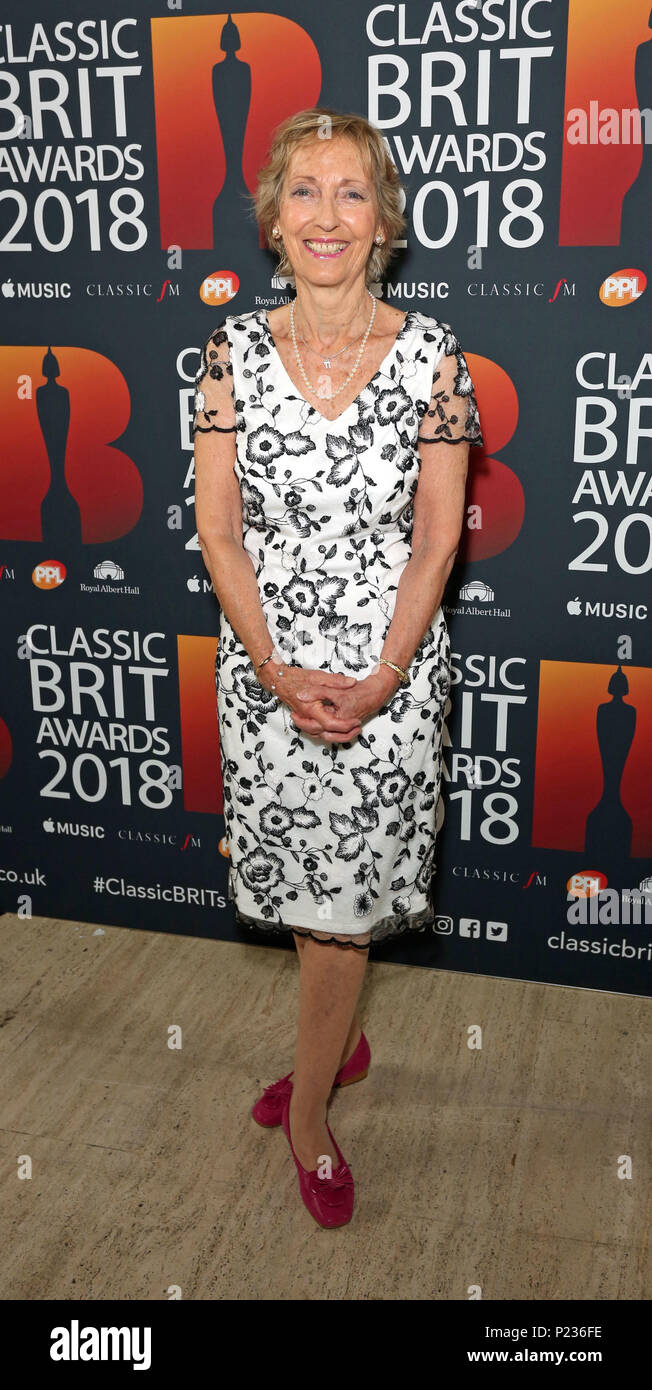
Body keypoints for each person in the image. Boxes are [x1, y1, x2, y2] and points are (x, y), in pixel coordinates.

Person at [192, 107, 484, 1228]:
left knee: (337, 920)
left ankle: (310, 1114)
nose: (326, 214)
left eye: (350, 192)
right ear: (273, 217)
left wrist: (378, 678)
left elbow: (437, 535)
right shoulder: (228, 354)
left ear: (381, 221)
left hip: (388, 681)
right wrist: (271, 665)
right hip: (268, 676)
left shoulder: (433, 357)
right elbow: (220, 532)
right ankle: (343, 1047)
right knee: (319, 911)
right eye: (303, 191)